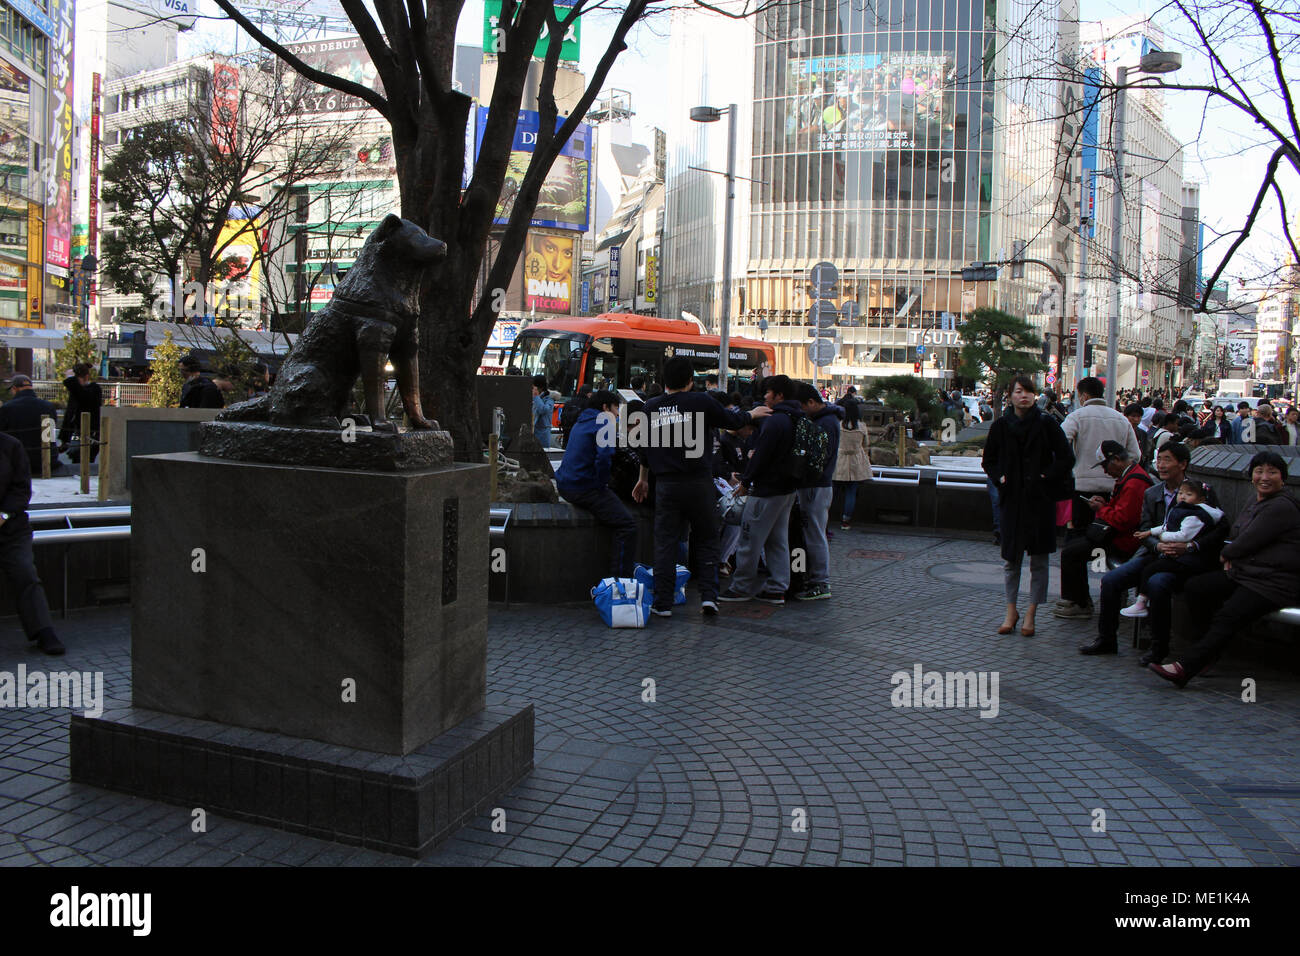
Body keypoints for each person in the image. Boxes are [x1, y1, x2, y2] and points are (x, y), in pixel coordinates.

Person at [631, 356, 770, 616]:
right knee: (707, 539)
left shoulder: (650, 407)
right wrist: (753, 413)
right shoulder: (700, 401)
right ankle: (709, 597)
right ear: (690, 381)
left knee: (665, 543)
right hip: (699, 483)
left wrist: (643, 478)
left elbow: (644, 450)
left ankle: (663, 603)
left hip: (667, 485)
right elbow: (732, 420)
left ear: (664, 381)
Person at [1149, 451, 1300, 688]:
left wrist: (1227, 555)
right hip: (1248, 572)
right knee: (1196, 587)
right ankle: (1207, 652)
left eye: (1272, 472)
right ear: (1251, 476)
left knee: (1228, 615)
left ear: (1283, 478)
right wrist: (1232, 555)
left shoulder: (1281, 506)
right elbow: (1237, 533)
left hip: (1273, 582)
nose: (1264, 477)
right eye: (1259, 471)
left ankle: (1186, 667)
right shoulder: (1256, 500)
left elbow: (1250, 539)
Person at [1080, 442, 1223, 659]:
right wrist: (1156, 545)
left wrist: (1190, 546)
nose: (1162, 465)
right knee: (1111, 581)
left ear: (1183, 464)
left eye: (1168, 460)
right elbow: (1144, 529)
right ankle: (1106, 639)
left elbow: (1218, 526)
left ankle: (1158, 648)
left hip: (1185, 559)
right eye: (1160, 459)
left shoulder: (1202, 491)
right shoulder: (1152, 493)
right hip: (1154, 554)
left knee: (1158, 583)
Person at [982, 376, 1074, 636]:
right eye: (1019, 391)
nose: (1024, 396)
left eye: (1029, 392)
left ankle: (1032, 612)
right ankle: (1011, 610)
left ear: (1035, 395)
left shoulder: (1047, 423)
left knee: (1039, 560)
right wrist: (1000, 477)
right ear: (1010, 395)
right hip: (1012, 499)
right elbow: (989, 459)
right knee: (1011, 559)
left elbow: (1067, 457)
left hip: (1039, 501)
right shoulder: (1001, 425)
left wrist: (1045, 476)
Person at [718, 375, 803, 606]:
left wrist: (746, 481)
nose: (765, 396)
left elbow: (761, 457)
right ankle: (777, 587)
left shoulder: (775, 422)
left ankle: (741, 586)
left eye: (768, 392)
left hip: (767, 489)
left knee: (749, 538)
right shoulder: (796, 418)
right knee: (777, 540)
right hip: (787, 489)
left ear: (779, 395)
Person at [1055, 440, 1152, 619]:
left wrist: (1101, 509)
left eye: (1105, 466)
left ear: (1115, 459)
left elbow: (1122, 520)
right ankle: (1078, 599)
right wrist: (1105, 505)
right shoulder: (1130, 476)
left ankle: (1080, 603)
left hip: (1123, 542)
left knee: (1071, 553)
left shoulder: (1134, 482)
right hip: (1120, 536)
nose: (1105, 471)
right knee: (1073, 548)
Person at [555, 390, 637, 580]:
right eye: (616, 408)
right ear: (605, 408)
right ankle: (620, 582)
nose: (618, 414)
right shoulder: (605, 422)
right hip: (583, 487)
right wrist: (602, 484)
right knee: (628, 525)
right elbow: (604, 457)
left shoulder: (581, 421)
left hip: (565, 484)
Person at [1119, 477, 1223, 618]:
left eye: (1189, 494)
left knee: (1153, 573)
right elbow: (1167, 525)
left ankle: (1142, 603)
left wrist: (1164, 537)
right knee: (1143, 569)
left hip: (1187, 560)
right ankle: (1142, 603)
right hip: (1168, 553)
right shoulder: (1181, 508)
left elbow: (1183, 535)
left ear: (1201, 499)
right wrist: (1149, 533)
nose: (1183, 497)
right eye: (1181, 493)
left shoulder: (1196, 515)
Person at [0, 430, 64, 654]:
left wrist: (3, 515)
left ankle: (44, 631)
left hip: (11, 529)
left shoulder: (11, 446)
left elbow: (21, 489)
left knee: (24, 571)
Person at [1060, 376, 1140, 541]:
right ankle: (1099, 565)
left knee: (1077, 539)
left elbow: (1058, 443)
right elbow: (1135, 455)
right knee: (1103, 538)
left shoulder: (1077, 417)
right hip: (1112, 490)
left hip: (1081, 487)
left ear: (1084, 396)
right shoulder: (1121, 419)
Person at [793, 382, 843, 601]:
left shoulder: (825, 424)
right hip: (817, 485)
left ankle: (820, 583)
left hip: (815, 486)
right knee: (814, 533)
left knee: (814, 534)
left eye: (802, 407)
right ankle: (814, 580)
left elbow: (817, 460)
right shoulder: (826, 420)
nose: (800, 413)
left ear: (812, 403)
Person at [0, 374, 58, 474]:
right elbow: (50, 436)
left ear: (14, 388)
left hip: (16, 460)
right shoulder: (48, 407)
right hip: (45, 460)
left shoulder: (7, 408)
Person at [832, 396, 871, 531]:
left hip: (839, 461)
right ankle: (846, 521)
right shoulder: (862, 426)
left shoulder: (838, 424)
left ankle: (826, 518)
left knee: (833, 491)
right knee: (851, 492)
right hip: (855, 461)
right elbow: (866, 445)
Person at [57, 363, 103, 464]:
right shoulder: (77, 392)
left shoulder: (93, 390)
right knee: (77, 462)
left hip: (90, 435)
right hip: (76, 434)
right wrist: (65, 439)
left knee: (84, 462)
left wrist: (71, 379)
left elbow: (82, 396)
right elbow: (69, 415)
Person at [530, 375, 554, 448]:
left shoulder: (549, 399)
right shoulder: (535, 397)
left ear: (540, 387)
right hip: (533, 432)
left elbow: (543, 410)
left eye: (534, 387)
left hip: (542, 434)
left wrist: (536, 396)